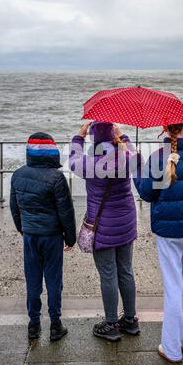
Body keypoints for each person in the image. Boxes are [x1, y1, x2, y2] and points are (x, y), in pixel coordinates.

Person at [134, 123, 183, 363]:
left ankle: (172, 349)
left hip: (168, 230)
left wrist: (137, 168)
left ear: (165, 129)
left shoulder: (157, 159)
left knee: (173, 287)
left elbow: (147, 193)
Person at [69, 121, 140, 342]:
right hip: (126, 222)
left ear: (94, 139)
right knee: (126, 270)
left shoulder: (90, 163)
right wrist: (124, 136)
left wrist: (79, 136)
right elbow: (138, 160)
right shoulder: (126, 158)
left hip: (102, 226)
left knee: (108, 274)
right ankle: (129, 320)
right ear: (112, 136)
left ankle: (111, 324)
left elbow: (72, 161)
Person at [10, 132, 76, 341]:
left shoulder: (18, 175)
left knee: (33, 280)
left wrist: (23, 228)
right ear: (52, 152)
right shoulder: (56, 178)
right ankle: (55, 325)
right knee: (54, 280)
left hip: (30, 235)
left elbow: (14, 207)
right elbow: (65, 211)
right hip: (52, 236)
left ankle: (34, 324)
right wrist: (70, 238)